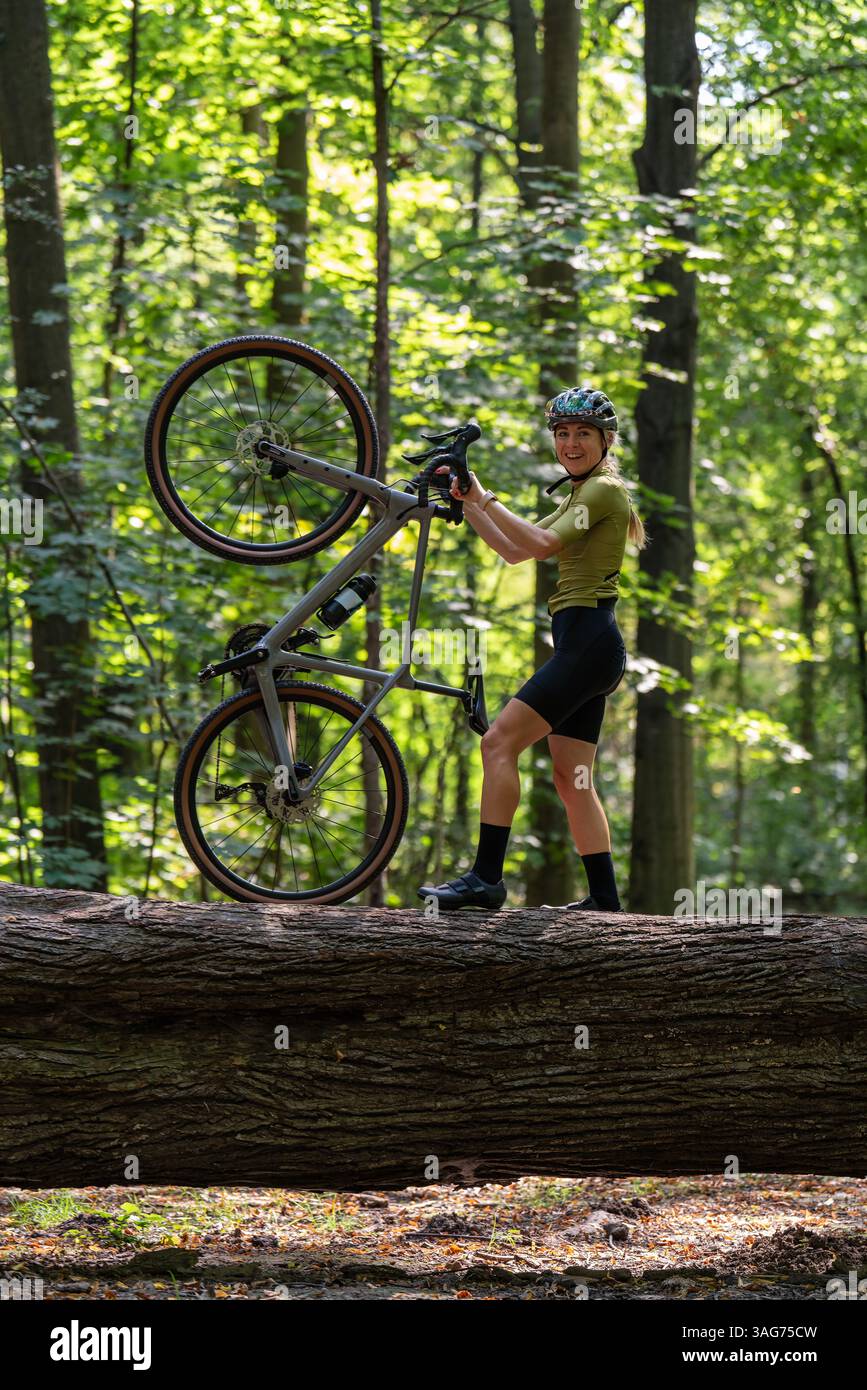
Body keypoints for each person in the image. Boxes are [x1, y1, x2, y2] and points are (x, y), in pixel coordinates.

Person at [417, 387, 647, 912]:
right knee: (573, 778)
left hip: (588, 641)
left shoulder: (603, 492)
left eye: (583, 434)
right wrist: (469, 500)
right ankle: (606, 900)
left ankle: (485, 878)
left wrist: (483, 497)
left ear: (606, 440)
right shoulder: (579, 495)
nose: (570, 443)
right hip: (588, 646)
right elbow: (514, 550)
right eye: (562, 434)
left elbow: (541, 546)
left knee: (498, 744)